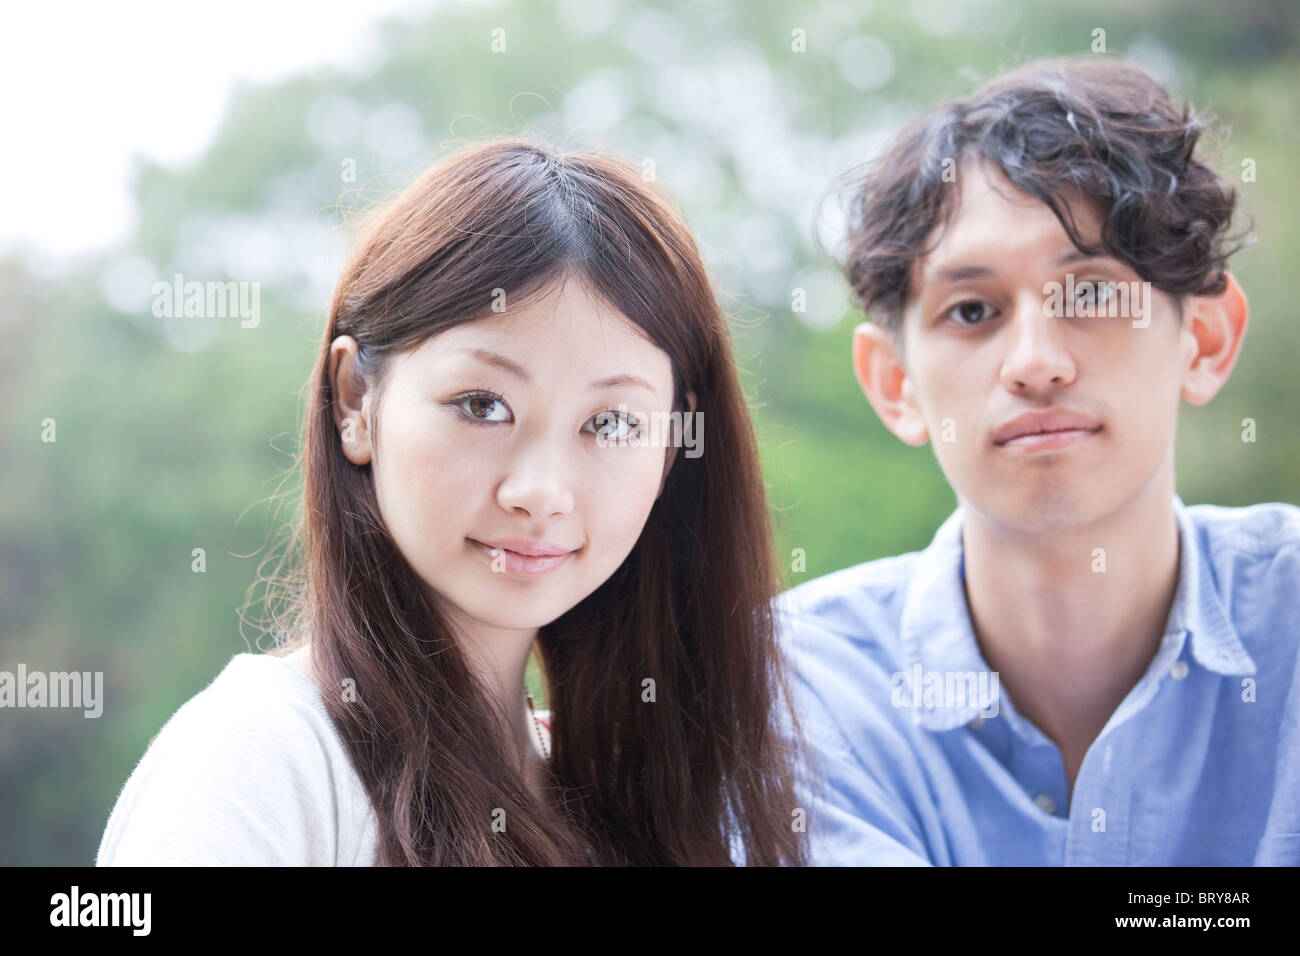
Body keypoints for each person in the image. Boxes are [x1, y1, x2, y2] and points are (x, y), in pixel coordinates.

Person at [97, 137, 806, 866]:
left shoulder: (647, 792)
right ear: (355, 401)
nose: (540, 492)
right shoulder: (266, 757)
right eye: (481, 404)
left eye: (611, 423)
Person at [781, 56, 1300, 865]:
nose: (1034, 362)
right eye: (973, 309)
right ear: (895, 383)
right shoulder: (792, 687)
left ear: (1204, 338)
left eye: (1092, 293)